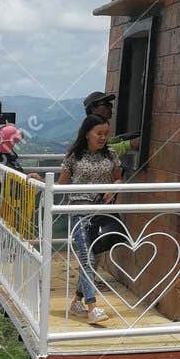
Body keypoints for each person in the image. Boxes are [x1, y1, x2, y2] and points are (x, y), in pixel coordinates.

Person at [56, 113, 123, 325]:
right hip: (79, 212)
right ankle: (92, 307)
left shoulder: (110, 155)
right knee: (88, 258)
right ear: (87, 134)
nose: (103, 137)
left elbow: (118, 178)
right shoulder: (74, 157)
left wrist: (114, 189)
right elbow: (61, 184)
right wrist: (39, 178)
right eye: (99, 133)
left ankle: (77, 301)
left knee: (90, 258)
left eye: (106, 134)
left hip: (101, 213)